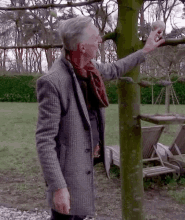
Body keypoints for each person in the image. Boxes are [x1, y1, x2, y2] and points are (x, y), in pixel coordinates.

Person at [35, 16, 164, 220]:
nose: (100, 41)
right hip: (68, 173)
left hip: (85, 161)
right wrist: (58, 187)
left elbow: (114, 69)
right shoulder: (53, 82)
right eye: (96, 37)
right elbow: (44, 141)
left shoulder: (90, 68)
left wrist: (145, 50)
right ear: (81, 47)